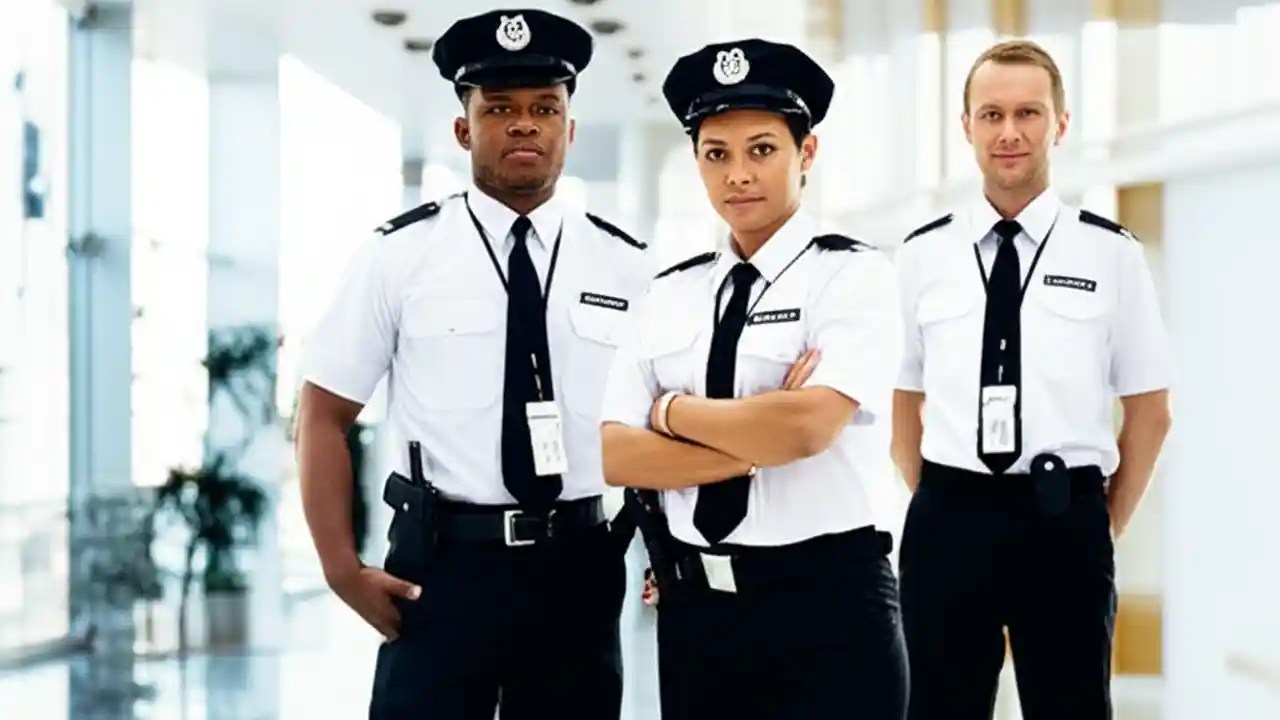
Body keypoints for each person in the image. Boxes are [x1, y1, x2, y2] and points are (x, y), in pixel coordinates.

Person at [294, 9, 651, 719]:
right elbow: (322, 414)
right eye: (500, 109)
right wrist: (341, 570)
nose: (525, 124)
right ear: (464, 129)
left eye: (545, 108)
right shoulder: (399, 256)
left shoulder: (627, 265)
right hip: (443, 567)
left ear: (569, 132)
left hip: (577, 562)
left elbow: (660, 424)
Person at [600, 38, 909, 720]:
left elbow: (805, 428)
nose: (739, 174)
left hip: (829, 609)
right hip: (698, 614)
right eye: (717, 154)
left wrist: (670, 412)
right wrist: (752, 442)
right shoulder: (669, 293)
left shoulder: (854, 276)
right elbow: (614, 453)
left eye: (762, 149)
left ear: (808, 154)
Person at [891, 39, 1173, 720]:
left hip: (1063, 519)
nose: (1009, 132)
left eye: (1028, 113)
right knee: (937, 708)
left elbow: (1150, 409)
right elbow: (904, 399)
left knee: (1071, 706)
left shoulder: (1111, 254)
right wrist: (940, 500)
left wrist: (1100, 522)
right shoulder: (923, 253)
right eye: (991, 114)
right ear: (966, 127)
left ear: (1061, 123)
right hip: (949, 519)